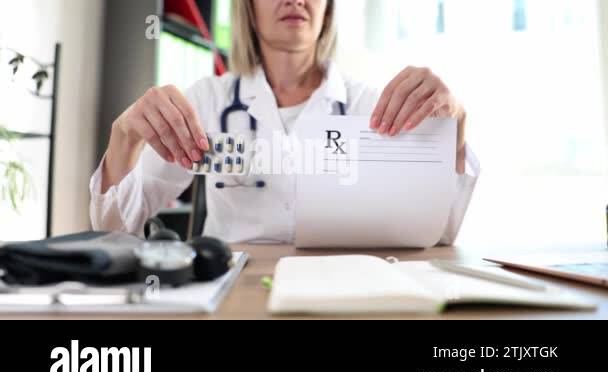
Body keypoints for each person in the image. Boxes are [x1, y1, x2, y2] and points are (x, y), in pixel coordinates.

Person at [90, 0, 479, 244]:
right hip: (233, 289)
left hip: (336, 290)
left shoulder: (369, 105)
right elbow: (115, 230)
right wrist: (124, 137)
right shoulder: (207, 99)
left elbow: (438, 235)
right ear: (248, 7)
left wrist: (454, 137)